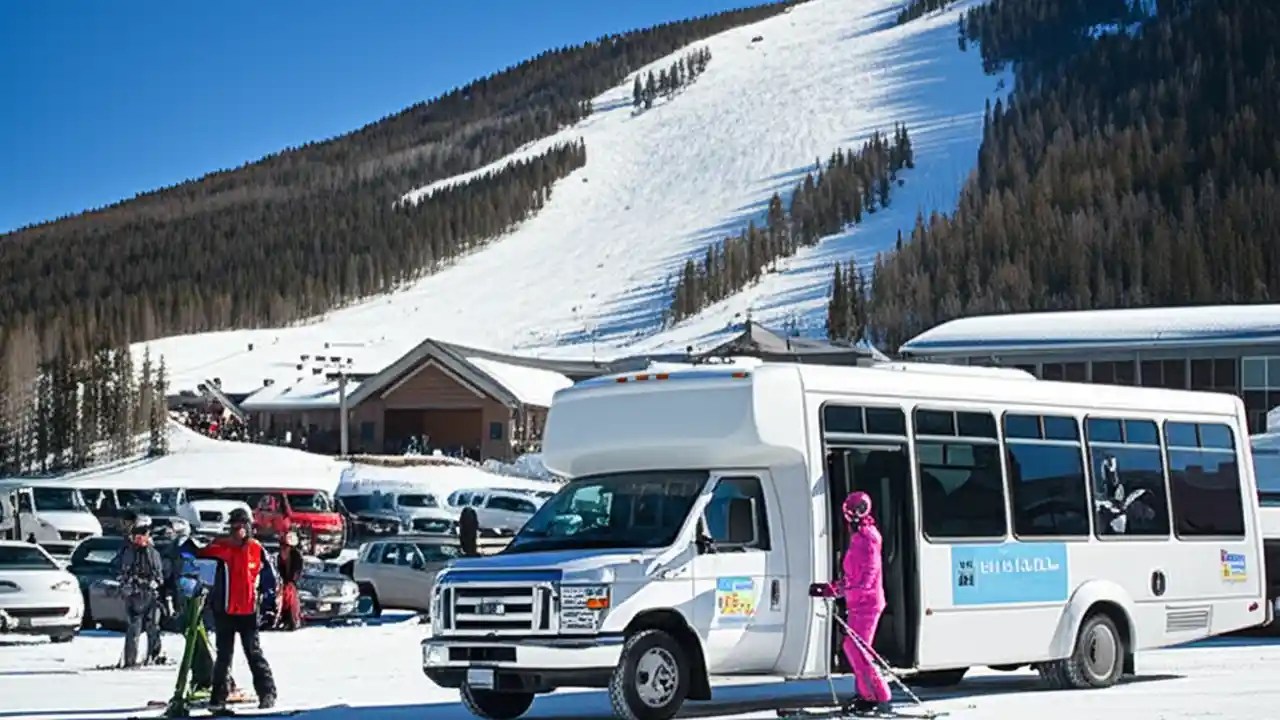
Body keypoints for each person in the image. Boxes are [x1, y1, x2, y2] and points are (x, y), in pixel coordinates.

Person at [197, 508, 278, 712]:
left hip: (249, 611)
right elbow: (198, 554)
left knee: (253, 653)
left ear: (249, 528)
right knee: (224, 656)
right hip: (225, 610)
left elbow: (270, 578)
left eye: (242, 527)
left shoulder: (256, 549)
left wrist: (269, 604)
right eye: (234, 527)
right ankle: (218, 698)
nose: (238, 531)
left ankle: (267, 693)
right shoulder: (221, 547)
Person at [834, 491, 891, 715]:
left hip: (867, 602)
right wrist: (837, 587)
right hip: (858, 601)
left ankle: (879, 696)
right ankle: (866, 694)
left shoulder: (867, 536)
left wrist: (852, 589)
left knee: (858, 649)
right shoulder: (859, 535)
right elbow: (854, 574)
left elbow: (870, 570)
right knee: (854, 647)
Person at [114, 514, 167, 667]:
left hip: (151, 596)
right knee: (133, 629)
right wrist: (127, 583)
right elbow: (121, 571)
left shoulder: (153, 553)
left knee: (153, 628)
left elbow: (159, 576)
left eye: (142, 536)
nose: (139, 539)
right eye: (136, 536)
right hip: (134, 595)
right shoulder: (128, 552)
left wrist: (154, 583)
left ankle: (153, 657)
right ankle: (130, 660)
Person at [275, 531, 304, 631]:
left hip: (292, 583)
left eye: (286, 546)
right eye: (282, 546)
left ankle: (292, 621)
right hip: (284, 582)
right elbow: (280, 570)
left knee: (291, 599)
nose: (283, 549)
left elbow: (297, 571)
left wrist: (291, 581)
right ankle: (283, 619)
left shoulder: (296, 556)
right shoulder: (279, 557)